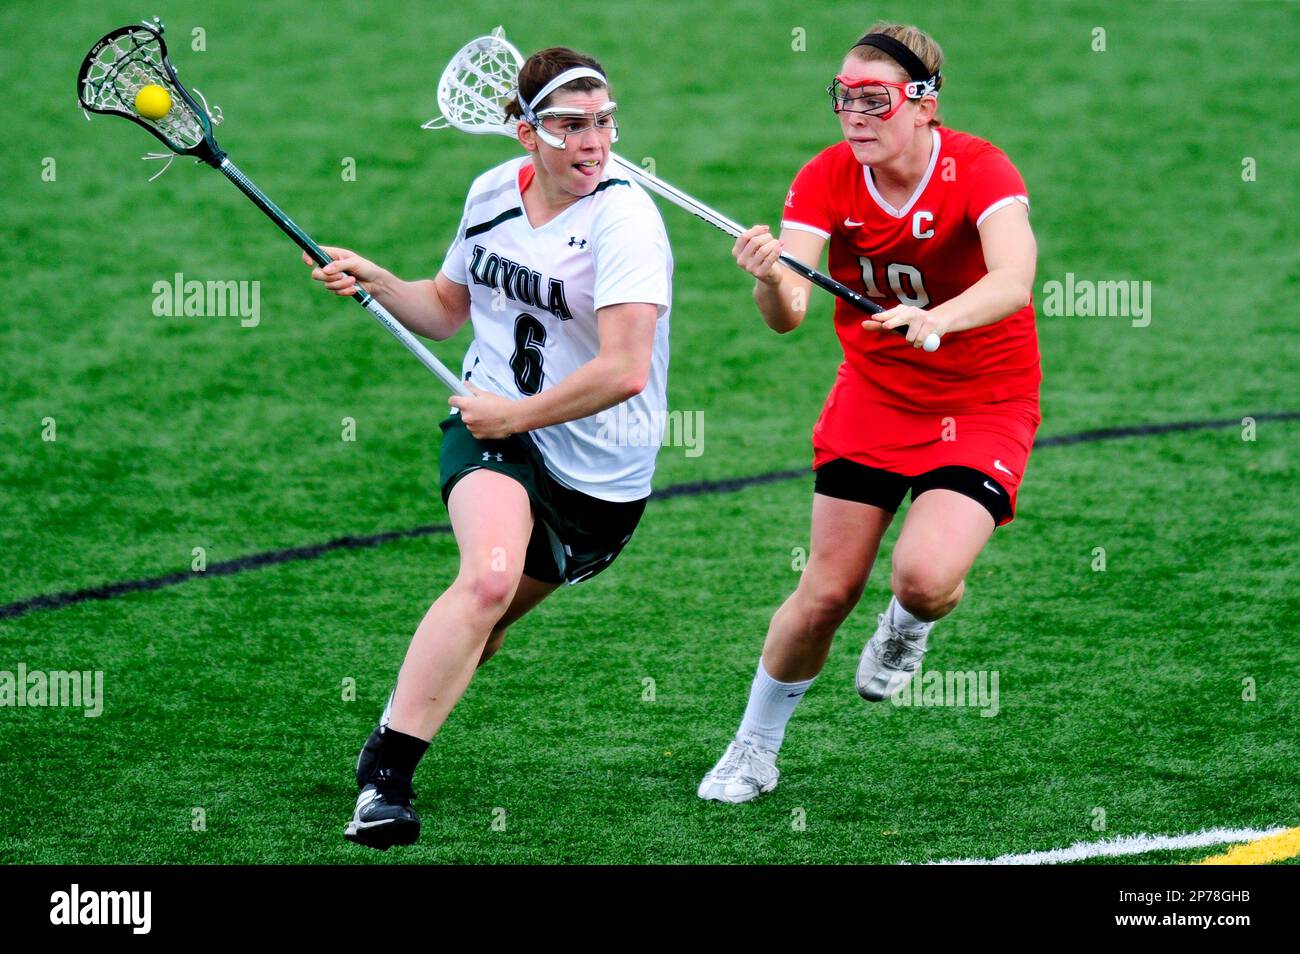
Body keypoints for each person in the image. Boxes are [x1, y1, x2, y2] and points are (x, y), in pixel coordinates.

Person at [303, 47, 673, 847]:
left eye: (603, 122)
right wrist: (373, 279)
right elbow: (442, 310)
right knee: (487, 580)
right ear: (524, 133)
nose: (593, 143)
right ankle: (385, 781)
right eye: (569, 125)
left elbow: (625, 370)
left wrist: (520, 414)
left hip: (602, 473)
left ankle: (398, 719)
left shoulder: (626, 221)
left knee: (491, 621)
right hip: (492, 429)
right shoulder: (490, 194)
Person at [699, 23, 1041, 802]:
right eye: (843, 98)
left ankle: (909, 626)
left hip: (984, 403)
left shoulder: (978, 168)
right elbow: (789, 312)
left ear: (924, 103)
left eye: (874, 99)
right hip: (875, 398)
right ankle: (753, 747)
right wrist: (766, 276)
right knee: (824, 593)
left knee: (922, 580)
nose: (854, 114)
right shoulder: (827, 176)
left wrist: (939, 319)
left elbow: (1014, 278)